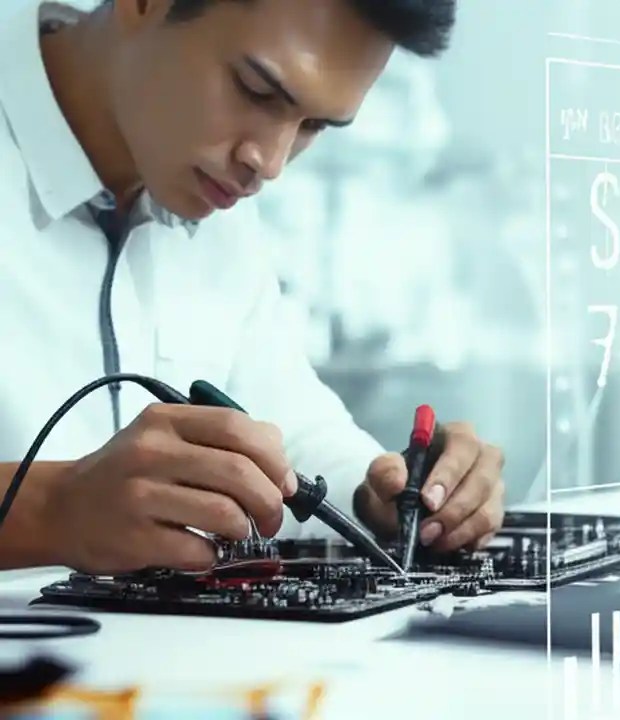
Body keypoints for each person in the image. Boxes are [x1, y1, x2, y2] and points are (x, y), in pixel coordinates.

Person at [0, 0, 506, 575]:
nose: (269, 163)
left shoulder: (212, 196)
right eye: (257, 90)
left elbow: (291, 432)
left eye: (313, 125)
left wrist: (393, 497)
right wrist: (48, 510)